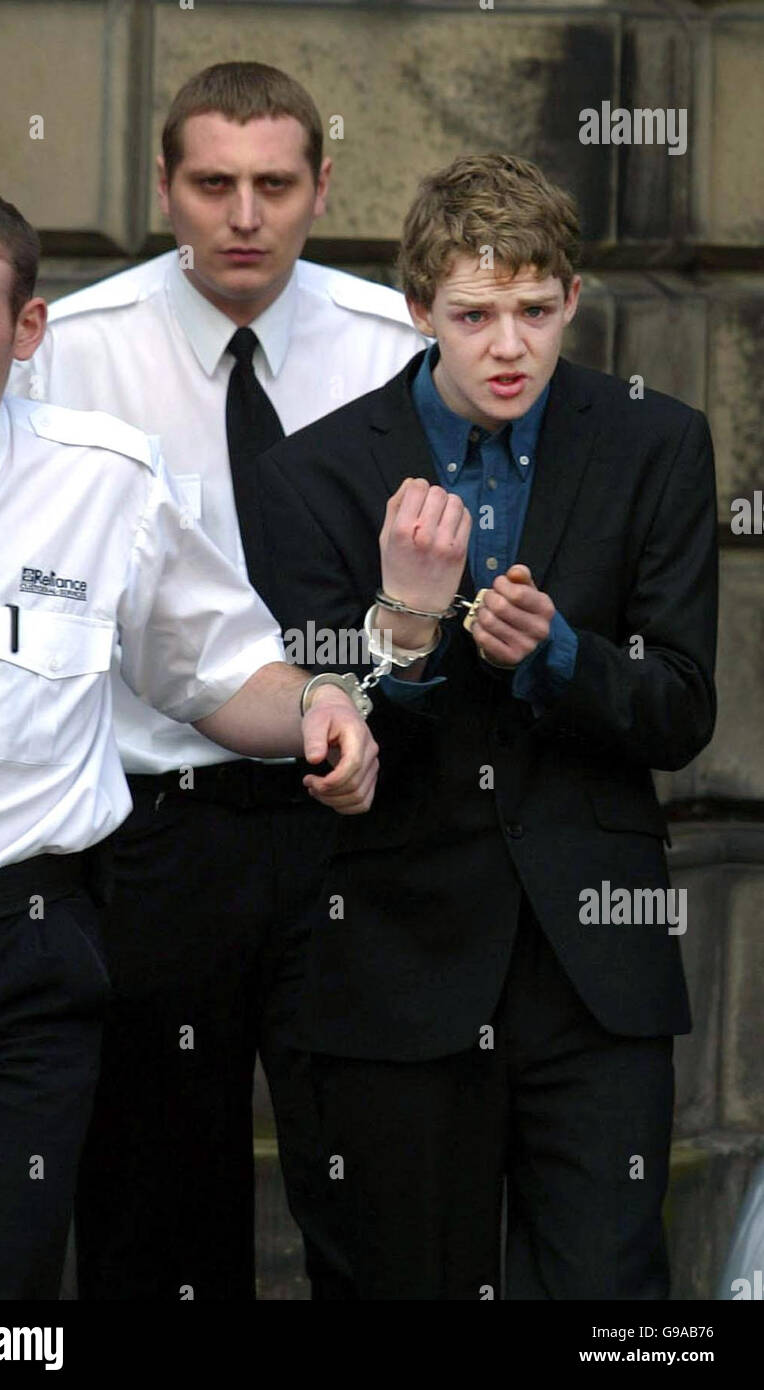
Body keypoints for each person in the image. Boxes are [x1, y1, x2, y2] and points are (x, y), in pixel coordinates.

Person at [252, 152, 719, 1299]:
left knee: (611, 1288)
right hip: (399, 956)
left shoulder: (656, 441)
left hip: (592, 967)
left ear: (570, 299)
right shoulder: (315, 473)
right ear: (420, 311)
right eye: (473, 314)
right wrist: (406, 623)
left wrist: (559, 655)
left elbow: (682, 710)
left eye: (533, 309)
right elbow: (314, 728)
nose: (508, 345)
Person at [0, 182, 377, 1300]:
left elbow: (219, 672)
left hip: (6, 962)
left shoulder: (101, 479)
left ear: (29, 332)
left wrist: (321, 703)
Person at [9, 60, 423, 1300]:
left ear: (320, 185)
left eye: (275, 185)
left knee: (378, 1194)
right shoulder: (71, 353)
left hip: (360, 827)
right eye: (213, 184)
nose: (245, 217)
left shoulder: (393, 347)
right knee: (152, 1210)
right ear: (164, 187)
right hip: (157, 839)